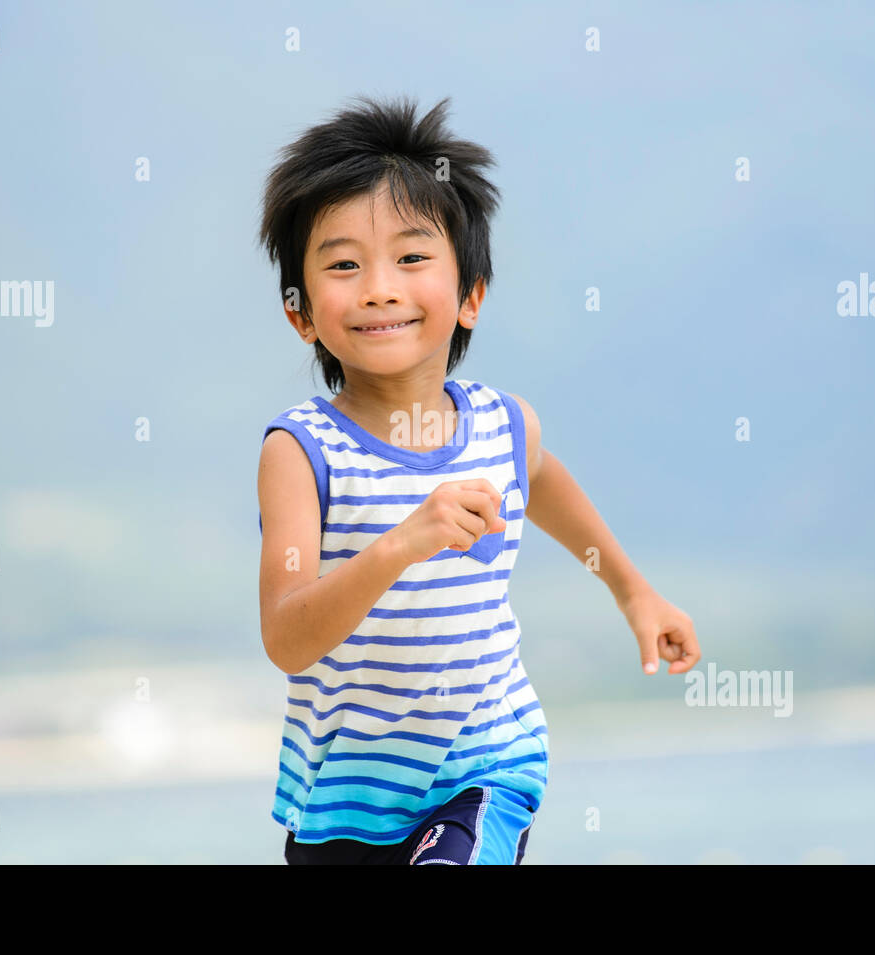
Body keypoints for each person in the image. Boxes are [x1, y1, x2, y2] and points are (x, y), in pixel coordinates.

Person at [255, 95, 701, 865]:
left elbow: (551, 489)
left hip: (483, 767)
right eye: (343, 264)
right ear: (301, 312)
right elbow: (288, 637)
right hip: (343, 804)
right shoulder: (303, 451)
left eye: (412, 256)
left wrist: (634, 591)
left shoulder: (503, 426)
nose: (379, 287)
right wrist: (401, 543)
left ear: (470, 297)